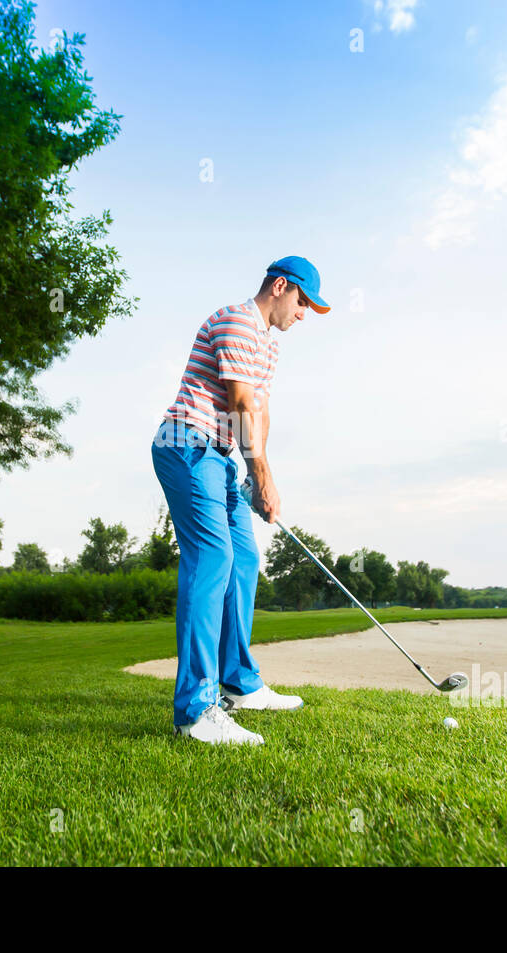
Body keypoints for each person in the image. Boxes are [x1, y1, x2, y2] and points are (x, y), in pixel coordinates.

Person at [150, 256, 331, 746]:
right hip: (185, 444)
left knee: (244, 558)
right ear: (280, 286)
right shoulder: (235, 320)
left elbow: (261, 410)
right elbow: (240, 403)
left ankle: (238, 684)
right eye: (302, 302)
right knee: (212, 559)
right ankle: (195, 711)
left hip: (220, 454)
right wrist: (262, 475)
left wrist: (258, 477)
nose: (304, 315)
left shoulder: (268, 348)